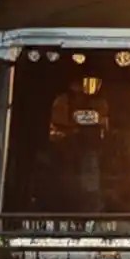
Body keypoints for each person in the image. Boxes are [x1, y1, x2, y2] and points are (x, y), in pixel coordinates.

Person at [44, 76, 111, 212]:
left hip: (90, 152)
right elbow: (56, 129)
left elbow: (105, 127)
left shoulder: (101, 103)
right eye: (83, 83)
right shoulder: (62, 102)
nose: (87, 87)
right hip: (67, 154)